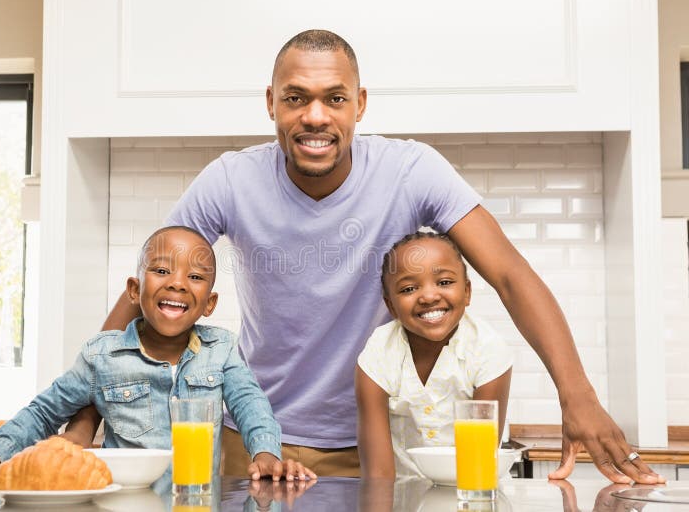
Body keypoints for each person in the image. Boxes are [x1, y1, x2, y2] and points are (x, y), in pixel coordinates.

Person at [94, 29, 662, 483]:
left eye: (334, 99)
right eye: (296, 98)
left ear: (359, 104)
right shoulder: (228, 181)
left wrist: (578, 394)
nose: (315, 116)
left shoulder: (412, 171)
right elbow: (152, 285)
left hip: (379, 448)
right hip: (251, 441)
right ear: (272, 103)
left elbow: (511, 276)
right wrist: (82, 419)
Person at [0, 226, 316, 482]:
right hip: (122, 500)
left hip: (197, 499)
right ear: (134, 289)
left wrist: (266, 454)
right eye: (161, 270)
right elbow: (43, 411)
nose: (177, 282)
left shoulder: (220, 350)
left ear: (210, 303)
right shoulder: (101, 356)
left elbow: (252, 406)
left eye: (196, 277)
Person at [356, 231, 513, 478]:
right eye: (409, 288)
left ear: (467, 292)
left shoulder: (487, 347)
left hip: (470, 494)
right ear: (391, 306)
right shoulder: (379, 351)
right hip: (401, 499)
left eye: (444, 282)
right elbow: (378, 473)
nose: (429, 297)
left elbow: (479, 461)